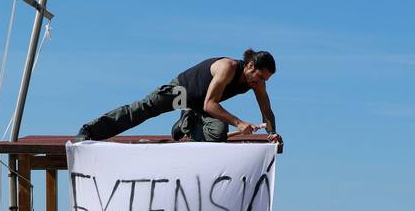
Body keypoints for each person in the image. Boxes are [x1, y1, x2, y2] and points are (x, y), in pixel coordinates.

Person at [76, 49, 280, 145]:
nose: (260, 83)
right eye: (259, 77)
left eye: (265, 80)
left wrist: (272, 135)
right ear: (250, 66)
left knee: (218, 135)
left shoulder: (258, 82)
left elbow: (266, 111)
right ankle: (90, 131)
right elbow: (211, 104)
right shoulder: (228, 67)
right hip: (182, 94)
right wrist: (239, 122)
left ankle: (188, 123)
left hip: (201, 107)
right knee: (143, 109)